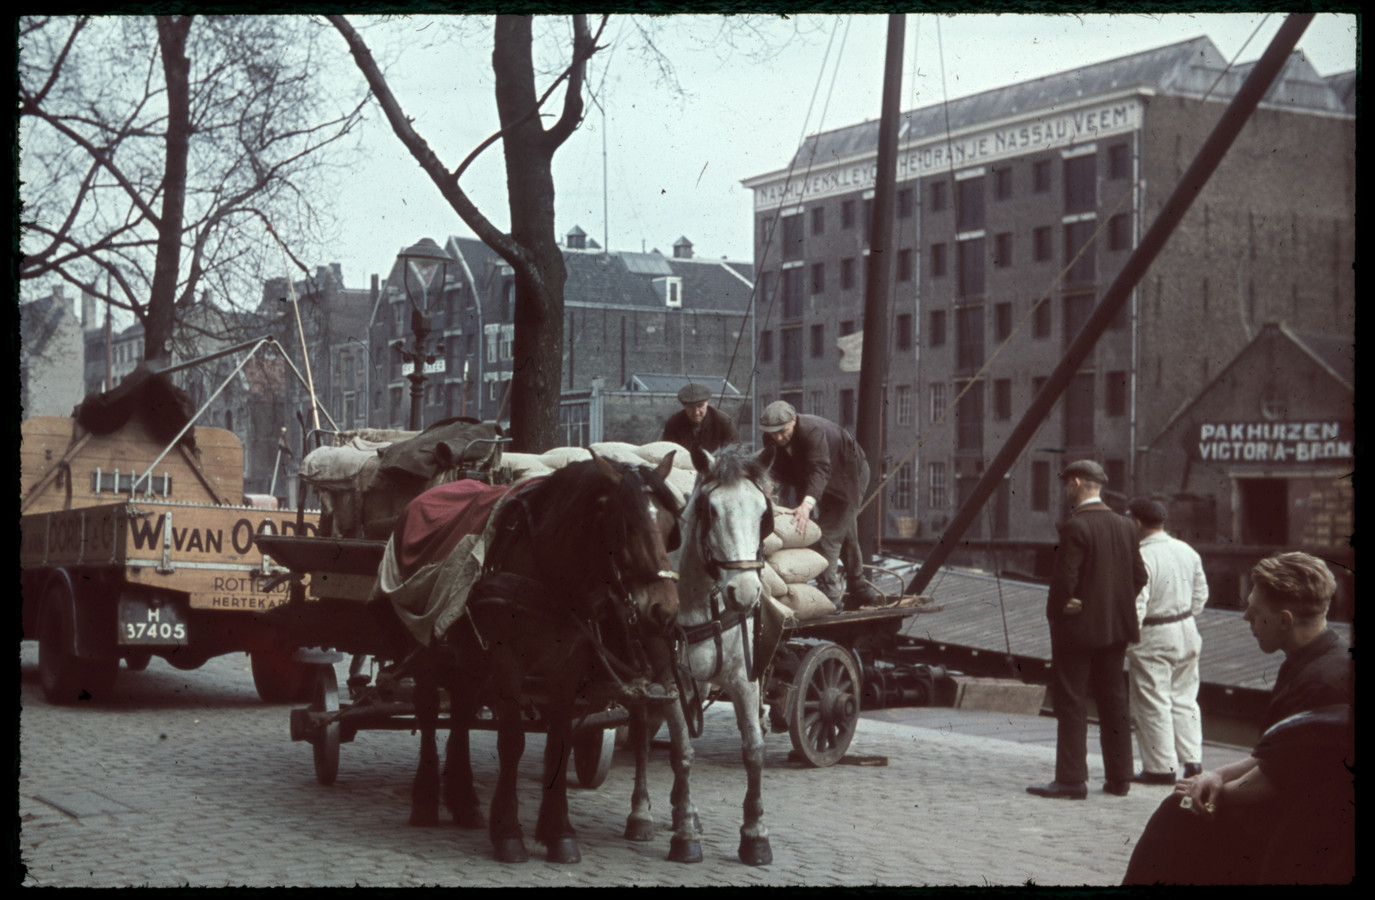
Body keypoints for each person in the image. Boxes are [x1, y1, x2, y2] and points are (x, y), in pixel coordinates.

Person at [1122, 552, 1354, 885]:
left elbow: (1269, 782)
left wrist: (1211, 791)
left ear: (1285, 620)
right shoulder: (1324, 660)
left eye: (1255, 611)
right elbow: (1275, 756)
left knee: (1179, 813)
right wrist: (1216, 775)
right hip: (1305, 817)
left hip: (1298, 834)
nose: (1245, 616)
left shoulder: (1318, 683)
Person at [1027, 460, 1147, 800]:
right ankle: (1119, 777)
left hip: (1077, 632)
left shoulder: (1075, 527)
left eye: (1067, 484)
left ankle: (1071, 780)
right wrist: (1111, 605)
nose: (1066, 489)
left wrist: (1061, 611)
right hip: (1117, 629)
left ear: (1077, 483)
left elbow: (1065, 580)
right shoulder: (1126, 526)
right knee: (1114, 699)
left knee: (1071, 700)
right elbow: (1140, 577)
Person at [757, 400, 878, 611]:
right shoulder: (771, 437)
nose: (777, 437)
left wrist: (806, 505)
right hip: (812, 476)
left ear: (794, 420)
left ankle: (830, 596)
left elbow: (820, 468)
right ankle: (860, 588)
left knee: (828, 536)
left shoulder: (811, 431)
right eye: (772, 432)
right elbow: (773, 466)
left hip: (847, 475)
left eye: (782, 430)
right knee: (845, 532)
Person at [1125, 498, 1209, 784]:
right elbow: (1200, 596)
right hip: (1187, 628)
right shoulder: (1187, 550)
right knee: (1185, 698)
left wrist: (1130, 638)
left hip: (1155, 632)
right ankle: (1193, 760)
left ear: (1137, 522)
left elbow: (1138, 603)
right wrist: (1183, 615)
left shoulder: (1141, 556)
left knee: (1153, 701)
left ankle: (1160, 768)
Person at [661, 383, 740, 454]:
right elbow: (667, 453)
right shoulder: (673, 423)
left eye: (700, 406)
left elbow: (736, 453)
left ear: (708, 402)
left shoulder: (723, 422)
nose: (696, 412)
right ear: (683, 405)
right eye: (690, 407)